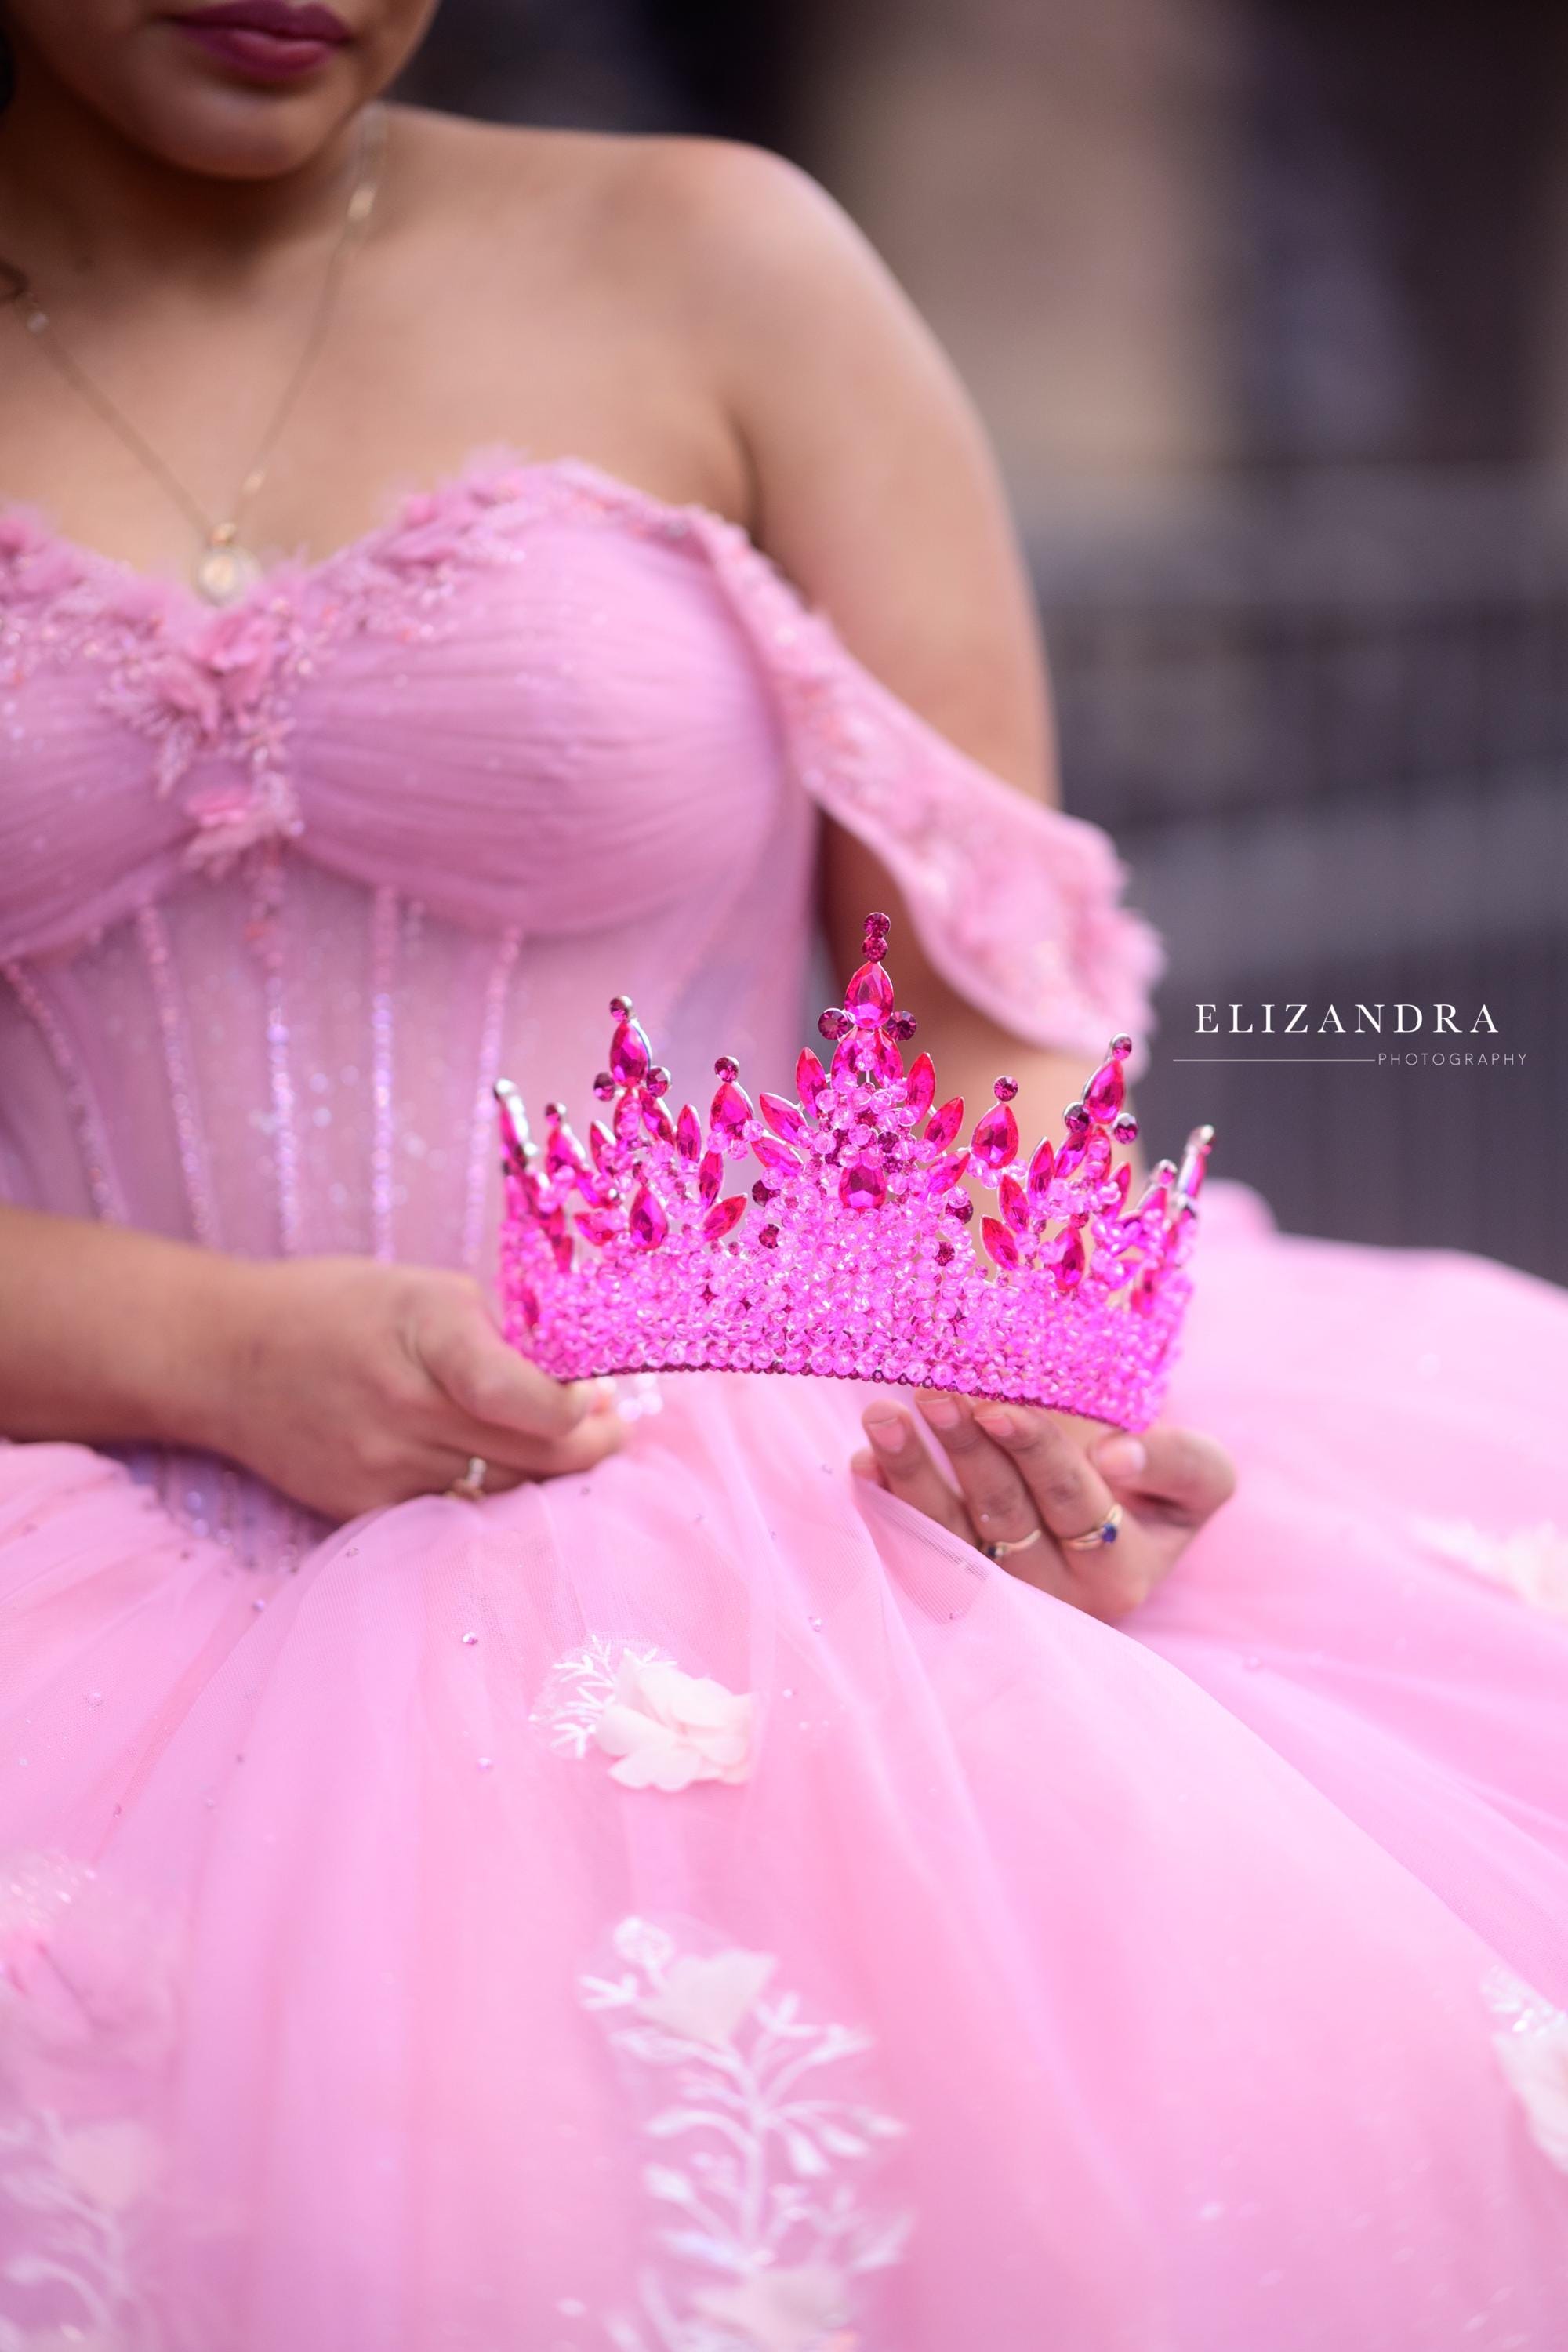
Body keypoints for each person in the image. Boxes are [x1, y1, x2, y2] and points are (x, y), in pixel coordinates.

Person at [0, 5, 1563, 2345]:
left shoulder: (722, 262)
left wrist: (1005, 1393)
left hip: (765, 1497)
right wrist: (219, 1355)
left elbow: (986, 987)